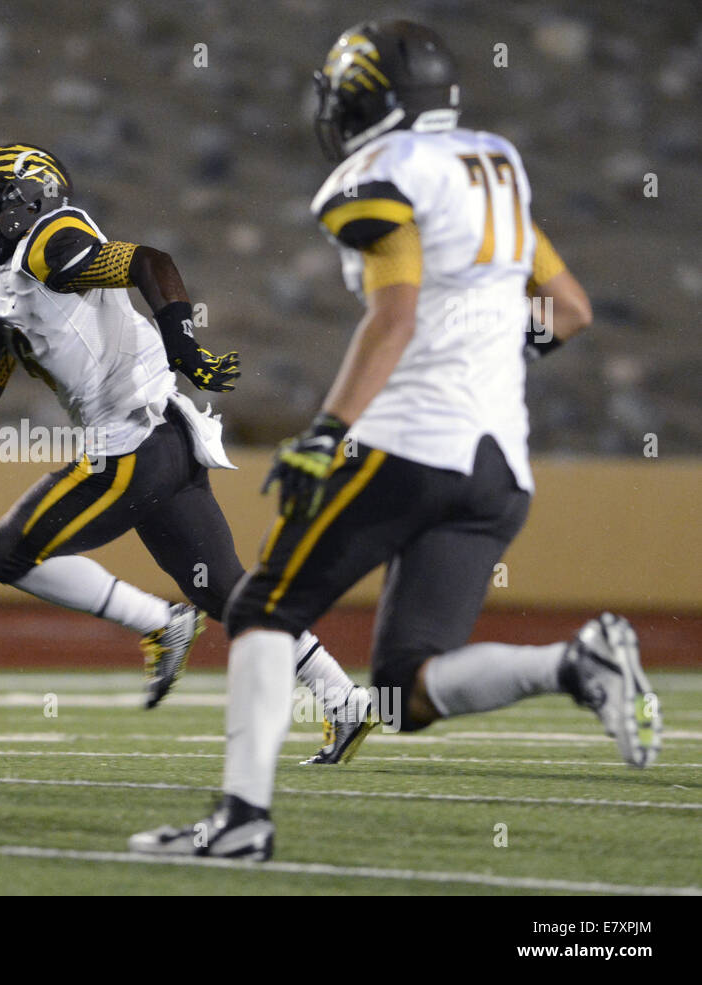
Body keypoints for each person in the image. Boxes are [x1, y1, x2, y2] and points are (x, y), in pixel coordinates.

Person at [130, 20, 662, 861]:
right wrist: (488, 348)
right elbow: (571, 307)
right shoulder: (496, 165)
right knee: (404, 689)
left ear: (368, 106)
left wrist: (324, 431)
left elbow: (395, 315)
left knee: (263, 608)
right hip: (499, 470)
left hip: (411, 444)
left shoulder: (381, 173)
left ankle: (241, 819)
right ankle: (574, 663)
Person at [0, 143, 367, 745]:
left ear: (26, 202)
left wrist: (184, 348)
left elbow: (151, 262)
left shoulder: (49, 242)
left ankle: (159, 622)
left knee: (10, 555)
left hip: (130, 445)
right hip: (162, 442)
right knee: (226, 590)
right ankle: (346, 699)